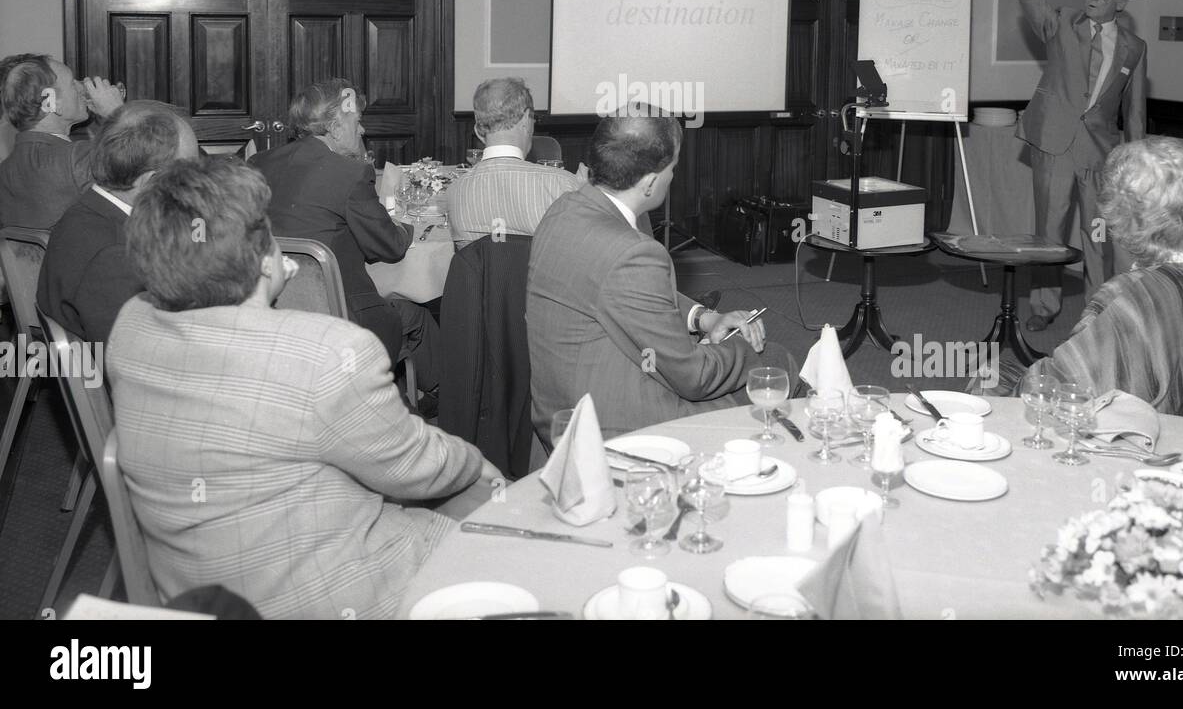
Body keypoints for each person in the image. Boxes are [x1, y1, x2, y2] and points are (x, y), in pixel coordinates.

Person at [109, 155, 500, 620]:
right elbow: (418, 468)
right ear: (262, 256)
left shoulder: (130, 324)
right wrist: (478, 463)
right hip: (328, 597)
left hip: (195, 588)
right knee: (507, 525)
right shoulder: (326, 353)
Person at [527, 109, 801, 442]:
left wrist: (704, 319)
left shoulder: (563, 210)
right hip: (616, 426)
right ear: (650, 183)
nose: (673, 177)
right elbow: (695, 378)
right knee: (775, 362)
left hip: (563, 409)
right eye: (673, 168)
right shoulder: (632, 253)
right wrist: (742, 346)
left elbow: (624, 293)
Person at [1010, 139, 1183, 420]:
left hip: (1142, 437)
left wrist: (999, 383)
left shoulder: (1129, 296)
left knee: (991, 379)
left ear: (1124, 218)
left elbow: (1065, 388)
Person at [250, 79, 437, 400]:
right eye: (357, 121)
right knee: (418, 314)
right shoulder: (349, 174)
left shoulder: (259, 164)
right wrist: (407, 226)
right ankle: (439, 401)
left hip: (273, 312)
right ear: (336, 127)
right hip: (343, 320)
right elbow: (389, 246)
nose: (362, 130)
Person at [1011, 0, 1147, 332]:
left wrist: (1135, 159)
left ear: (1121, 2)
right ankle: (1044, 306)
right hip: (1055, 142)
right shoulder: (1063, 22)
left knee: (1098, 232)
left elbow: (1135, 110)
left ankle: (1097, 309)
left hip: (1099, 151)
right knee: (1049, 229)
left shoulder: (1135, 48)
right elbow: (1037, 14)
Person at [37, 101, 199, 346]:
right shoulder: (114, 257)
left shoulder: (89, 213)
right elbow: (136, 356)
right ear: (152, 181)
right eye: (191, 171)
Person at [448, 77, 583, 247]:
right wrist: (590, 196)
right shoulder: (564, 186)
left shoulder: (455, 192)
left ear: (478, 131)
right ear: (526, 120)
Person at [0, 54, 123, 228]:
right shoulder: (78, 158)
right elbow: (148, 175)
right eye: (73, 83)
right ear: (50, 102)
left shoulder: (5, 170)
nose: (82, 87)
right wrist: (117, 114)